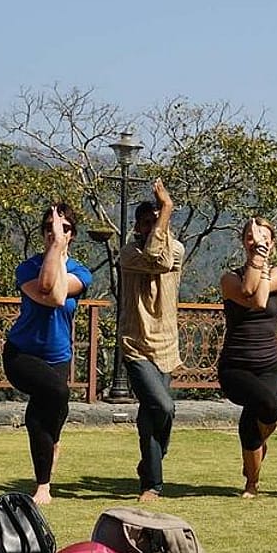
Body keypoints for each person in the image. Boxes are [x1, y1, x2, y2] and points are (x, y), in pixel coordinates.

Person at [3, 203, 92, 505]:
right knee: (54, 395)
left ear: (73, 235)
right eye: (52, 228)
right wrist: (55, 246)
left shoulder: (82, 272)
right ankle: (43, 486)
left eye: (65, 229)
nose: (57, 233)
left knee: (50, 415)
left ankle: (46, 463)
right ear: (43, 233)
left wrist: (57, 249)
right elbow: (49, 292)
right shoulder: (26, 268)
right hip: (21, 354)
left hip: (58, 357)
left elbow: (57, 294)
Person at [119, 179, 185, 503]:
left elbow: (163, 257)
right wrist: (167, 208)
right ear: (137, 227)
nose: (151, 228)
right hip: (135, 343)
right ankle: (153, 482)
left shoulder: (177, 249)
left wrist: (165, 215)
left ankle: (150, 472)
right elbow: (152, 259)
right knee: (163, 405)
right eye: (146, 223)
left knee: (153, 413)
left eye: (156, 221)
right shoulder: (128, 253)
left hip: (165, 343)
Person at [218, 217, 277, 498]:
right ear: (243, 243)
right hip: (235, 366)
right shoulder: (229, 279)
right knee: (263, 403)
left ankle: (252, 474)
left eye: (262, 238)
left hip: (268, 364)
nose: (256, 242)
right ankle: (254, 474)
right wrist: (257, 262)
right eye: (250, 237)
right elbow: (251, 293)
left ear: (272, 244)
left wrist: (261, 265)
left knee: (262, 414)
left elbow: (260, 298)